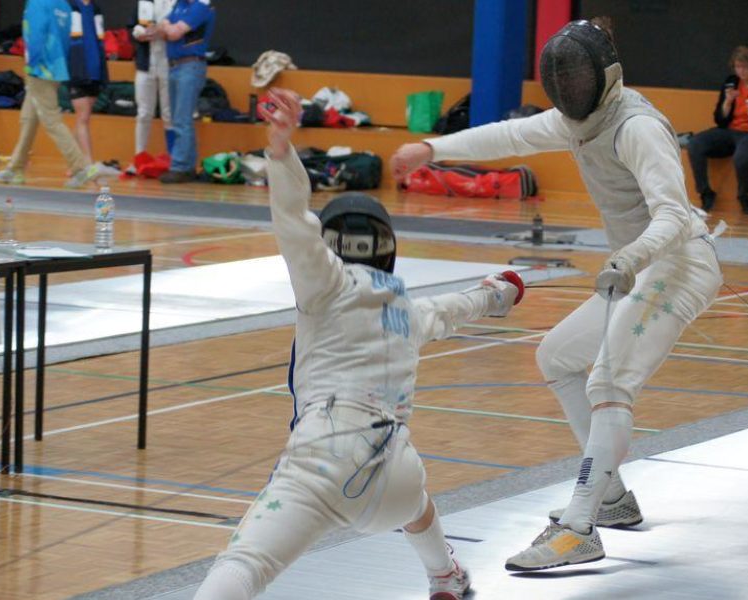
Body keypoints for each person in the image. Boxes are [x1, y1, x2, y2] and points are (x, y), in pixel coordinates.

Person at [392, 20, 723, 571]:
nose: (567, 87)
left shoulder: (636, 127)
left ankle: (579, 526)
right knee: (558, 356)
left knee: (609, 381)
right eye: (560, 77)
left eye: (574, 76)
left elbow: (673, 214)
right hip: (637, 270)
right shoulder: (578, 121)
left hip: (679, 265)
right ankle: (612, 497)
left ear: (604, 76)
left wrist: (627, 259)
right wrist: (432, 147)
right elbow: (508, 136)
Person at [193, 89, 524, 600]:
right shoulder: (406, 309)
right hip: (392, 467)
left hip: (320, 461)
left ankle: (445, 576)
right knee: (416, 505)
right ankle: (446, 576)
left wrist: (281, 152)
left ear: (333, 246)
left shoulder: (325, 283)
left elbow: (293, 223)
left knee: (244, 565)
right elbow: (461, 307)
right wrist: (500, 290)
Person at [0, 0, 117, 188]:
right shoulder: (64, 5)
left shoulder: (37, 3)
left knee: (52, 120)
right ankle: (15, 168)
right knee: (28, 119)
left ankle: (80, 168)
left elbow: (35, 37)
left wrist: (32, 64)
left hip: (40, 69)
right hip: (56, 68)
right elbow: (67, 40)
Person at [686, 46, 748, 215]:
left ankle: (744, 195)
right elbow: (719, 119)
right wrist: (727, 102)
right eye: (738, 67)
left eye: (744, 67)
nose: (741, 71)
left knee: (743, 157)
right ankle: (705, 192)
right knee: (694, 144)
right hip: (729, 131)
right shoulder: (731, 82)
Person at [152, 0, 215, 184]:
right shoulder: (180, 4)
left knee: (182, 119)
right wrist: (166, 26)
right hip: (175, 66)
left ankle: (180, 166)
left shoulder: (201, 6)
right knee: (178, 118)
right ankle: (186, 166)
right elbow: (163, 27)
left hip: (190, 65)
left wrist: (167, 27)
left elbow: (172, 32)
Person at [64, 0, 109, 165]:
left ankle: (73, 163)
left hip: (95, 70)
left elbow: (100, 42)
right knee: (83, 117)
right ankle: (88, 163)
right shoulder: (69, 7)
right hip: (76, 69)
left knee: (83, 117)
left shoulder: (96, 9)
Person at [131, 0, 173, 158]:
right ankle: (139, 156)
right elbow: (131, 27)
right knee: (143, 113)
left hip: (169, 64)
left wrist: (164, 33)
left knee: (169, 114)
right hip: (145, 64)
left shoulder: (178, 4)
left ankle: (173, 158)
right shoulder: (143, 2)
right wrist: (138, 34)